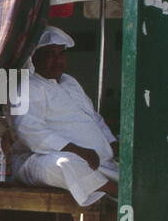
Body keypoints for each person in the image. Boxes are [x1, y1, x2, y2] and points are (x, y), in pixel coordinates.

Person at [10, 25, 118, 206]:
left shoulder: (70, 82)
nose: (57, 60)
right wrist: (78, 150)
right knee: (66, 164)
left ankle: (111, 195)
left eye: (61, 54)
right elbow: (29, 131)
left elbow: (93, 118)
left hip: (98, 161)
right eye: (50, 54)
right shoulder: (27, 86)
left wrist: (112, 142)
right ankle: (118, 194)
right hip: (37, 161)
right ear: (34, 57)